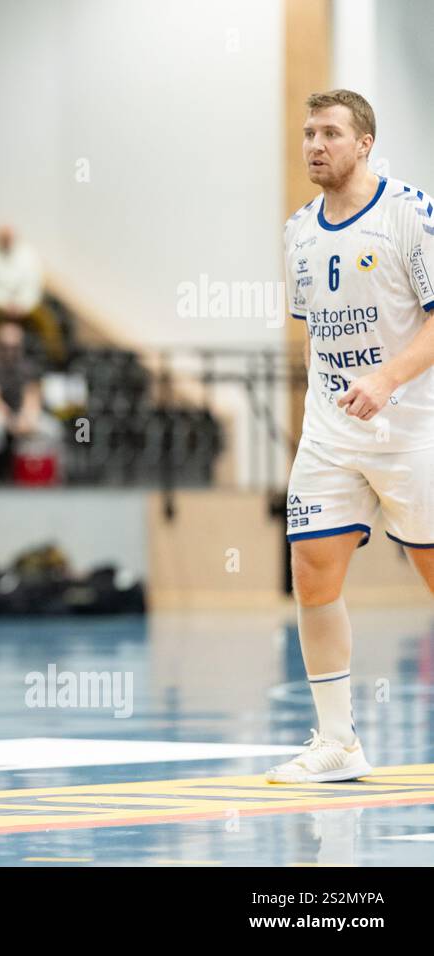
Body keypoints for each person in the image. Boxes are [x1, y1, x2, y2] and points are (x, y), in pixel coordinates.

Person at [268, 89, 434, 784]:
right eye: (309, 132)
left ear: (364, 143)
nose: (315, 145)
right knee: (312, 573)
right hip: (332, 434)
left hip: (412, 429)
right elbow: (315, 334)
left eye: (330, 133)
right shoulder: (298, 230)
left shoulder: (408, 213)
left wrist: (387, 380)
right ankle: (337, 742)